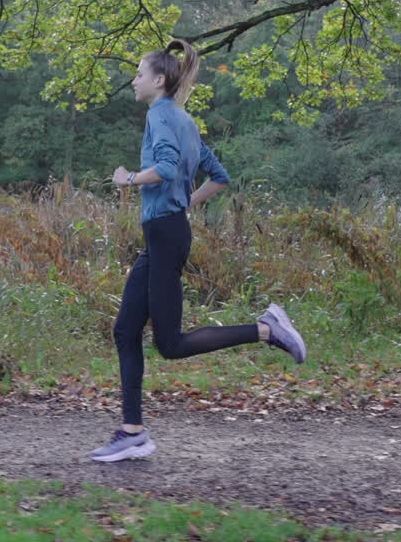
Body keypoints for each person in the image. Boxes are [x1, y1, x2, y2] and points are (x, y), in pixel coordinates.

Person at [89, 39, 307, 463]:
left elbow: (166, 169)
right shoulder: (184, 120)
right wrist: (183, 204)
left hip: (165, 236)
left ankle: (267, 328)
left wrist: (127, 178)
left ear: (158, 80)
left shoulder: (159, 116)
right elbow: (219, 176)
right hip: (164, 234)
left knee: (170, 343)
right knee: (125, 330)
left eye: (138, 73)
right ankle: (132, 432)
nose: (133, 80)